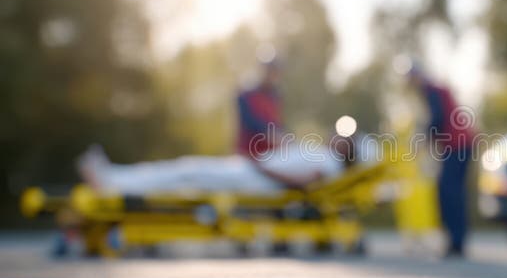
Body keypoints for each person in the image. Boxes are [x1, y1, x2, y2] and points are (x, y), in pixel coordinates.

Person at [78, 135, 357, 196]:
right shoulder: (322, 151)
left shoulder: (331, 165)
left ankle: (113, 180)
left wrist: (262, 168)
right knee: (186, 169)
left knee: (188, 171)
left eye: (346, 140)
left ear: (348, 152)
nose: (338, 137)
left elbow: (305, 183)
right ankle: (114, 176)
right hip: (251, 171)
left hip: (255, 179)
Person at [406, 62, 474, 258]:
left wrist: (423, 142)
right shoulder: (435, 89)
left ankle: (456, 241)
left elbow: (437, 119)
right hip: (458, 144)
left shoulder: (432, 90)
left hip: (456, 145)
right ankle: (456, 240)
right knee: (453, 191)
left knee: (448, 191)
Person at [237, 56, 284, 155]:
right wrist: (269, 133)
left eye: (275, 72)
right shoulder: (246, 95)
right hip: (249, 154)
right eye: (269, 71)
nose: (272, 76)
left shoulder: (274, 96)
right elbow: (249, 122)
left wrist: (282, 136)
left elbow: (276, 123)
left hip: (271, 154)